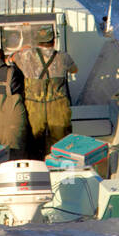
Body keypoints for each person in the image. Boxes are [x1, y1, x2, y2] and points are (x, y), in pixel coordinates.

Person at [8, 27, 74, 157]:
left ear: (37, 42)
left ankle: (37, 166)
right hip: (58, 107)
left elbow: (10, 59)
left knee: (34, 142)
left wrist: (22, 49)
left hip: (34, 107)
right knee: (62, 143)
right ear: (54, 41)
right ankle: (59, 167)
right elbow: (74, 70)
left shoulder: (25, 56)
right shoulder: (63, 56)